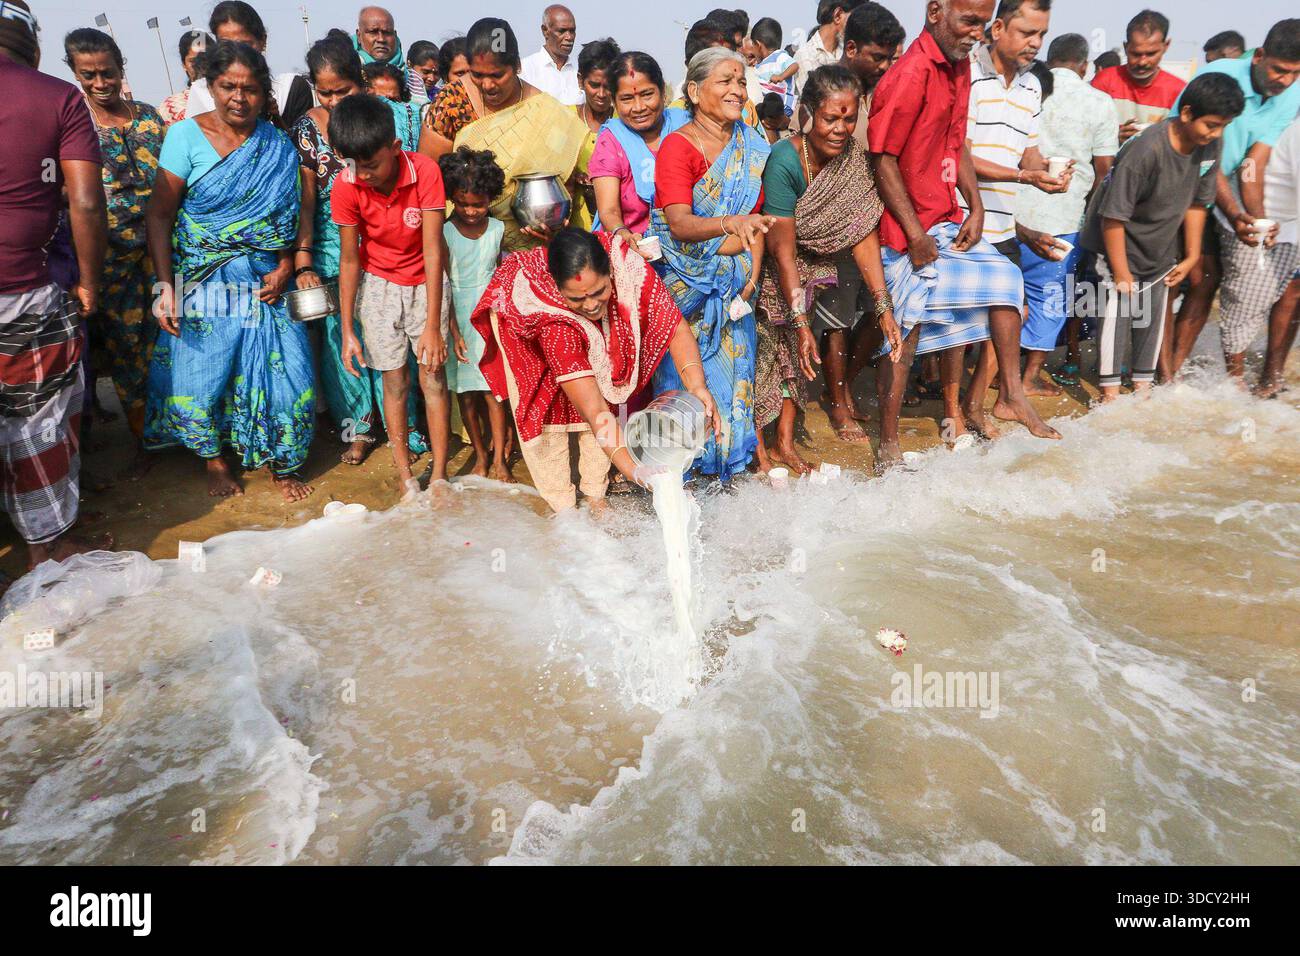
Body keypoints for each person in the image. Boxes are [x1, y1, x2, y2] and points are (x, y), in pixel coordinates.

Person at [869, 0, 1056, 467]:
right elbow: (882, 158)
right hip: (903, 228)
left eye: (982, 23)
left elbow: (958, 145)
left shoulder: (958, 69)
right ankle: (888, 443)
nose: (977, 32)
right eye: (968, 21)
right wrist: (914, 233)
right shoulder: (912, 73)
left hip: (945, 217)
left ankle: (1011, 393)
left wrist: (974, 204)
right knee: (905, 332)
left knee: (1007, 284)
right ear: (935, 13)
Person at [144, 41, 315, 501]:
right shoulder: (183, 137)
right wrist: (166, 288)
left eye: (251, 89)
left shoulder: (276, 145)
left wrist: (284, 266)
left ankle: (282, 463)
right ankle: (215, 461)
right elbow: (160, 215)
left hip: (265, 284)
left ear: (265, 93)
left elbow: (288, 218)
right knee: (202, 378)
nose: (239, 98)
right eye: (228, 87)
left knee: (287, 377)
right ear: (210, 86)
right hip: (204, 279)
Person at [470, 229, 720, 513]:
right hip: (532, 349)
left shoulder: (629, 269)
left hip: (588, 326)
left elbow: (674, 326)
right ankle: (562, 508)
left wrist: (697, 386)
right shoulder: (556, 330)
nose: (590, 305)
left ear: (610, 273)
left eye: (599, 292)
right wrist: (634, 470)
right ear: (559, 288)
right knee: (550, 418)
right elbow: (596, 412)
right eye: (577, 299)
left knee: (607, 385)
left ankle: (596, 497)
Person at [0, 0, 111, 566]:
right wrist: (89, 282)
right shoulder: (55, 97)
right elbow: (87, 202)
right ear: (35, 46)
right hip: (26, 293)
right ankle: (46, 550)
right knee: (36, 423)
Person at [756, 64, 902, 471]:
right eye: (830, 118)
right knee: (769, 352)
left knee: (800, 363)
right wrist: (800, 318)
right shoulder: (784, 160)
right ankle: (757, 451)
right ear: (808, 113)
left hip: (819, 268)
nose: (840, 128)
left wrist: (883, 305)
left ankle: (786, 443)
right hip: (774, 269)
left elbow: (861, 232)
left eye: (849, 119)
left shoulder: (852, 160)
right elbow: (783, 249)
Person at [291, 36, 428, 466]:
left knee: (395, 336)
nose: (332, 101)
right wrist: (304, 259)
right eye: (324, 92)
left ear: (361, 82)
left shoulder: (389, 120)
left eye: (342, 90)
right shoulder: (308, 130)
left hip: (389, 245)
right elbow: (307, 202)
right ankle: (359, 429)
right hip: (336, 248)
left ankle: (405, 427)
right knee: (342, 339)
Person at [1078, 72, 1243, 402]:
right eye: (1211, 124)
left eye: (1223, 126)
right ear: (1186, 113)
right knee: (1118, 313)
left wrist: (1192, 255)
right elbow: (1113, 215)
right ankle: (1109, 393)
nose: (1216, 132)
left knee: (1152, 316)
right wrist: (1122, 272)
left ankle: (1142, 388)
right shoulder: (1147, 150)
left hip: (1160, 247)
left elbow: (1199, 202)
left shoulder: (1210, 144)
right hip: (1114, 246)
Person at [648, 47, 773, 480]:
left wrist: (752, 277)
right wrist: (730, 225)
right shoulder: (677, 148)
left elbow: (755, 225)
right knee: (683, 390)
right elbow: (679, 225)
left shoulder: (754, 147)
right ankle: (678, 482)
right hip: (685, 291)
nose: (737, 90)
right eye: (726, 81)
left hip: (736, 291)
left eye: (741, 81)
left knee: (734, 387)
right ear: (696, 91)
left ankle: (728, 472)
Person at [331, 93, 450, 502]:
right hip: (378, 286)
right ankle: (405, 475)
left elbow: (434, 249)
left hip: (426, 282)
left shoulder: (425, 171)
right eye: (353, 165)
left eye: (372, 165)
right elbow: (349, 260)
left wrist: (433, 325)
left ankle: (439, 475)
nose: (363, 175)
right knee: (393, 381)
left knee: (432, 378)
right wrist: (348, 329)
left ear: (396, 149)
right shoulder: (345, 184)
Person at [1169, 20, 1300, 382]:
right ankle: (1163, 375)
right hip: (1186, 188)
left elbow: (1252, 163)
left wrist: (1256, 218)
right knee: (1191, 282)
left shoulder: (1292, 94)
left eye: (1295, 73)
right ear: (1259, 56)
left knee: (1209, 281)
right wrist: (1234, 210)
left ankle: (1184, 377)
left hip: (1222, 194)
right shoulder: (1218, 74)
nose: (1285, 81)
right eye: (1279, 70)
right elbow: (1201, 152)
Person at [63, 28, 166, 474]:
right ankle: (147, 441)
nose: (100, 82)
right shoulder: (72, 124)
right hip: (111, 263)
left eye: (107, 72)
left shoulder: (147, 118)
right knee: (129, 353)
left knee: (173, 340)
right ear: (75, 73)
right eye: (89, 74)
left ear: (122, 70)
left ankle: (185, 432)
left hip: (164, 253)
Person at [422, 18, 588, 253]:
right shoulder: (452, 101)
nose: (487, 85)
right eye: (477, 75)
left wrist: (553, 223)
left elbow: (563, 184)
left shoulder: (544, 111)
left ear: (517, 66)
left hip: (529, 248)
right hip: (460, 242)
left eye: (497, 75)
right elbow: (429, 175)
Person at [1014, 32, 1118, 394]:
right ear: (1085, 66)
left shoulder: (1025, 90)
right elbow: (1104, 171)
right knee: (1051, 299)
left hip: (1011, 213)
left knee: (1008, 298)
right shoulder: (1100, 103)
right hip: (1063, 219)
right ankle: (1026, 379)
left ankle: (997, 372)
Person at [439, 147, 512, 481]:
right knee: (466, 396)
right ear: (452, 198)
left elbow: (500, 278)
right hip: (458, 321)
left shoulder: (497, 230)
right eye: (463, 203)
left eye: (478, 204)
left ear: (490, 198)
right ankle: (480, 457)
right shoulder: (443, 232)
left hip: (490, 319)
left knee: (493, 392)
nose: (470, 211)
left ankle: (499, 460)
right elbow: (443, 285)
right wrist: (452, 331)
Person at [589, 51, 690, 245]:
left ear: (662, 91)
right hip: (633, 246)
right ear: (614, 101)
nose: (638, 107)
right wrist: (624, 235)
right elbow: (608, 211)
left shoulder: (685, 124)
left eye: (647, 95)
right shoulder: (611, 140)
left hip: (690, 243)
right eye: (627, 99)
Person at [184, 2, 313, 128]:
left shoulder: (290, 89)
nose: (236, 54)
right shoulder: (201, 93)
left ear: (263, 41)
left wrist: (273, 117)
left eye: (244, 45)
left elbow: (302, 144)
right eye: (226, 46)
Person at [1091, 10, 1186, 145]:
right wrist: (1112, 137)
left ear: (1166, 46)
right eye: (1136, 54)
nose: (1142, 62)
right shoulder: (1104, 81)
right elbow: (1084, 133)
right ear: (1125, 47)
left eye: (1151, 54)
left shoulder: (1178, 91)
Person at [1259, 114, 1300, 396]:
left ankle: (1274, 373)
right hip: (1277, 223)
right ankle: (1268, 379)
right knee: (1290, 294)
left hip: (1291, 221)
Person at [571, 38, 621, 231]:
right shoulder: (564, 121)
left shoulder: (625, 123)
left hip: (618, 230)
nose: (601, 94)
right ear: (580, 80)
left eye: (607, 86)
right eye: (594, 85)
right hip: (573, 230)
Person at [839, 1, 906, 142]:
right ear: (851, 49)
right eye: (878, 57)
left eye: (890, 58)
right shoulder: (821, 92)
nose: (885, 66)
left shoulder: (886, 92)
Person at [353, 6, 427, 105]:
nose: (381, 39)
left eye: (387, 33)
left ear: (395, 35)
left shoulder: (413, 78)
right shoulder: (351, 73)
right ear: (359, 35)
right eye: (373, 32)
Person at [520, 4, 582, 106]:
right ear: (545, 31)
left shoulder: (581, 70)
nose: (569, 37)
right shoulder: (526, 70)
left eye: (572, 31)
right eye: (562, 31)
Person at [794, 0, 860, 94]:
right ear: (838, 15)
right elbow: (814, 102)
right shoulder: (806, 56)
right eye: (854, 19)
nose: (856, 27)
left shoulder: (847, 53)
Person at [160, 29, 214, 124]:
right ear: (184, 65)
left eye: (204, 59)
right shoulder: (171, 106)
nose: (199, 65)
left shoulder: (231, 97)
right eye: (193, 61)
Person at [752, 17, 798, 115]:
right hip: (768, 107)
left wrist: (781, 76)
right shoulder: (760, 65)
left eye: (753, 45)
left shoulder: (779, 56)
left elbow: (794, 66)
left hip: (784, 104)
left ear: (758, 44)